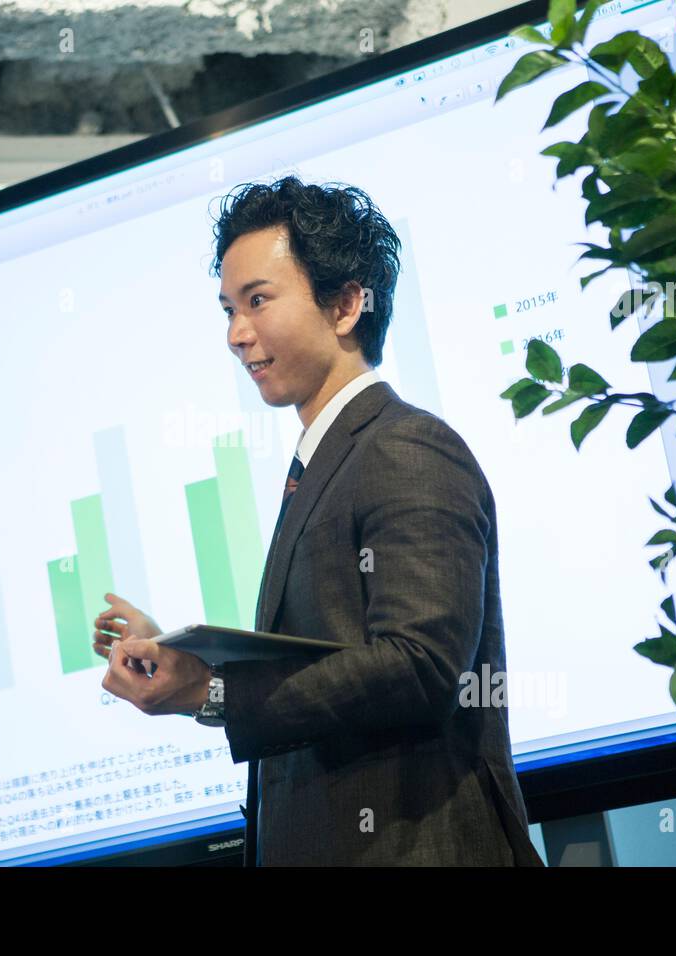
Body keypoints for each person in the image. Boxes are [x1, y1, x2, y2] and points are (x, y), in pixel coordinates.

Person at [94, 175, 544, 866]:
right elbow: (332, 660)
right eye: (227, 309)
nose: (236, 334)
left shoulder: (404, 447)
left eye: (258, 301)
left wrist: (209, 690)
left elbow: (421, 667)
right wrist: (191, 663)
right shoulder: (329, 459)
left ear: (344, 304)